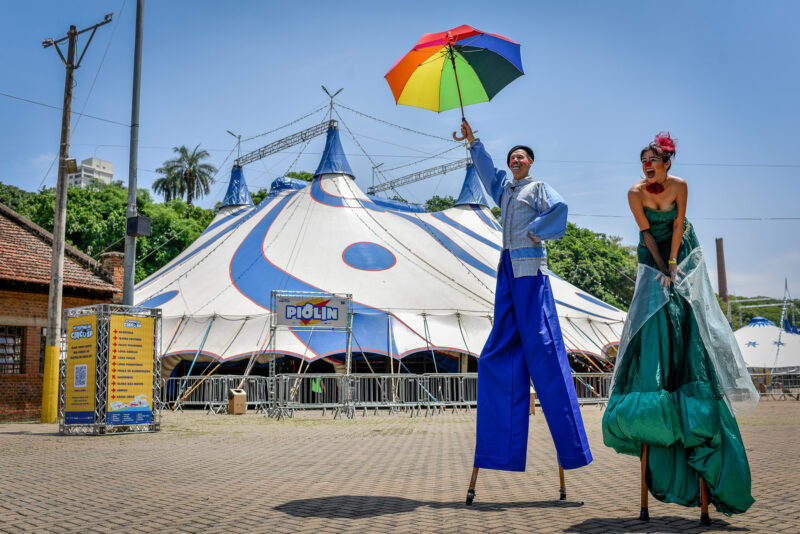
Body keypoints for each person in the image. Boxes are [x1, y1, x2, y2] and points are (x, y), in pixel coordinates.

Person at [602, 132, 759, 518]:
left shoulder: (679, 186)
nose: (646, 165)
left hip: (682, 250)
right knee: (652, 320)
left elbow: (677, 226)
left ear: (667, 162)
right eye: (643, 160)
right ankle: (656, 403)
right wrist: (657, 268)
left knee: (689, 319)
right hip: (650, 254)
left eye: (652, 159)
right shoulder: (635, 192)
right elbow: (645, 233)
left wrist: (673, 266)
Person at [460, 120, 592, 473]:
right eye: (512, 157)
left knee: (544, 353)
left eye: (521, 157)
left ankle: (574, 450)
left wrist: (536, 231)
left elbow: (559, 210)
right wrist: (473, 142)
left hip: (531, 271)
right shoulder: (504, 190)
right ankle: (499, 452)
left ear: (530, 162)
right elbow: (488, 173)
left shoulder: (538, 188)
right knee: (495, 356)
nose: (515, 160)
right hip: (506, 269)